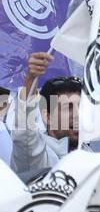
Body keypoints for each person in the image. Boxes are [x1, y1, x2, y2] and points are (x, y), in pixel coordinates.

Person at [5, 53, 82, 182]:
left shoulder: (91, 154)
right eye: (68, 107)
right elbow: (25, 135)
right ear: (47, 117)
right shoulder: (36, 156)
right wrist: (30, 80)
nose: (78, 114)